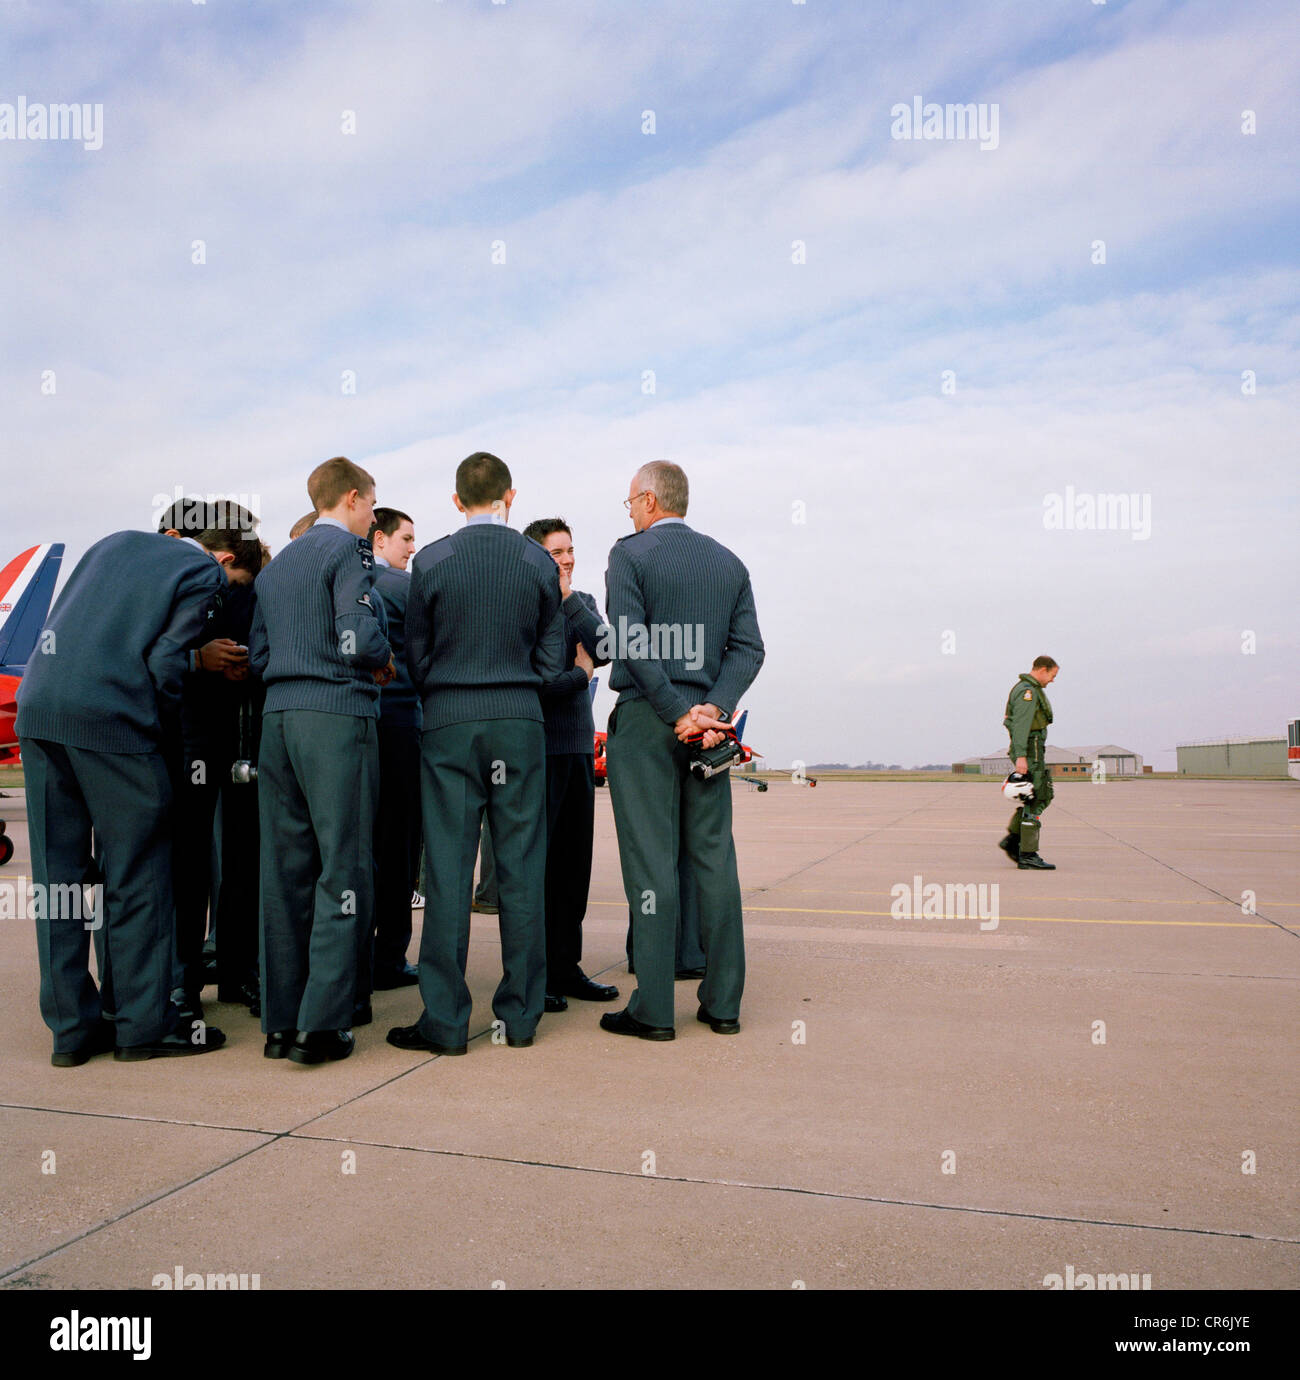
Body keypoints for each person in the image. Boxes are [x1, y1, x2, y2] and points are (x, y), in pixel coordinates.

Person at [16, 514, 261, 1064]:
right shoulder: (202, 571)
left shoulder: (109, 544)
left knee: (58, 881)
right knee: (140, 875)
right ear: (224, 561)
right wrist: (164, 743)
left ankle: (72, 1030)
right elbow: (164, 662)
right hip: (112, 720)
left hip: (38, 712)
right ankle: (144, 1025)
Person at [389, 452, 564, 1055]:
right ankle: (519, 1016)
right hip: (520, 720)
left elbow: (417, 652)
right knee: (520, 868)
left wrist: (450, 684)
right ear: (509, 497)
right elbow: (552, 657)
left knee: (446, 870)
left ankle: (444, 1020)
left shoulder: (432, 560)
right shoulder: (538, 562)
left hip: (449, 724)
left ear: (456, 500)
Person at [601, 461, 764, 1041]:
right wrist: (713, 711)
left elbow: (629, 638)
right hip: (710, 732)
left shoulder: (631, 555)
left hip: (650, 721)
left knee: (651, 866)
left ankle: (654, 1010)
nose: (629, 513)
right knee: (714, 861)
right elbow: (749, 648)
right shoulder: (728, 561)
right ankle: (723, 1004)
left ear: (647, 501)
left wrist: (675, 713)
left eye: (628, 503)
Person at [248, 457, 394, 1065]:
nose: (373, 520)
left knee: (284, 874)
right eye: (372, 507)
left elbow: (258, 655)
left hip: (278, 719)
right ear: (354, 499)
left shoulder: (278, 567)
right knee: (344, 867)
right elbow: (357, 638)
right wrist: (384, 655)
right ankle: (323, 1025)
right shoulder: (350, 554)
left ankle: (282, 1022)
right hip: (335, 716)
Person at [521, 518, 617, 1013]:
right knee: (539, 868)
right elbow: (536, 682)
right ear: (535, 557)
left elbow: (605, 649)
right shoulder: (521, 606)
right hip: (538, 751)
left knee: (574, 867)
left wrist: (569, 600)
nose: (568, 559)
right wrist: (579, 677)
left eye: (571, 549)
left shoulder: (581, 603)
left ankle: (566, 966)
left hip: (578, 747)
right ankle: (534, 974)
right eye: (557, 552)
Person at [368, 507, 422, 990]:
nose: (411, 548)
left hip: (363, 727)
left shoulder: (356, 585)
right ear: (379, 539)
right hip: (404, 723)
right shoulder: (403, 588)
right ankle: (389, 956)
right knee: (401, 845)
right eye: (405, 539)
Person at [1000, 657, 1059, 871]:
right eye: (1052, 675)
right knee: (1037, 797)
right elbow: (1021, 726)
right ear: (1042, 670)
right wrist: (1022, 757)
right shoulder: (1028, 692)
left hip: (1031, 748)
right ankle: (1027, 854)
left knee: (1036, 796)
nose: (1052, 681)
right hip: (1031, 748)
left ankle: (1014, 841)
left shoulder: (1024, 688)